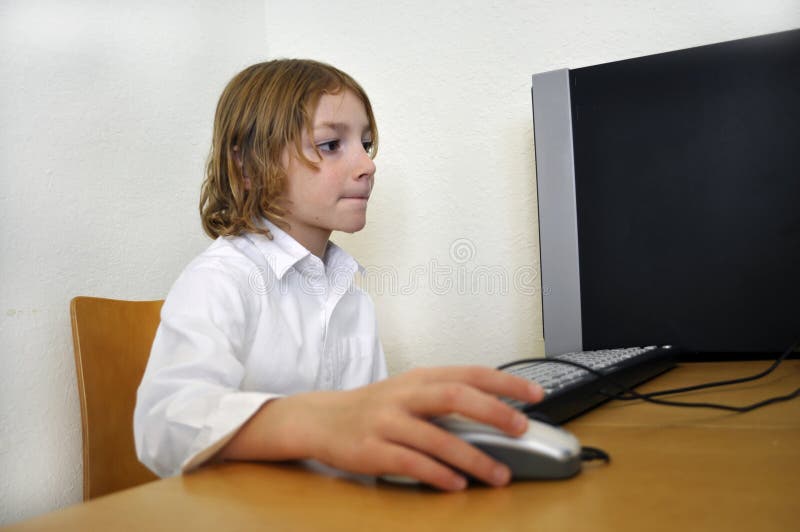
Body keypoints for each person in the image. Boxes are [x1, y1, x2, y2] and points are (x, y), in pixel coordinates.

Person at [134, 59, 543, 491]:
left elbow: (364, 435)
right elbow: (162, 425)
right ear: (247, 167)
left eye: (365, 143)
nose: (367, 164)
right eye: (331, 144)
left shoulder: (349, 295)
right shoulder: (221, 279)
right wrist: (316, 423)